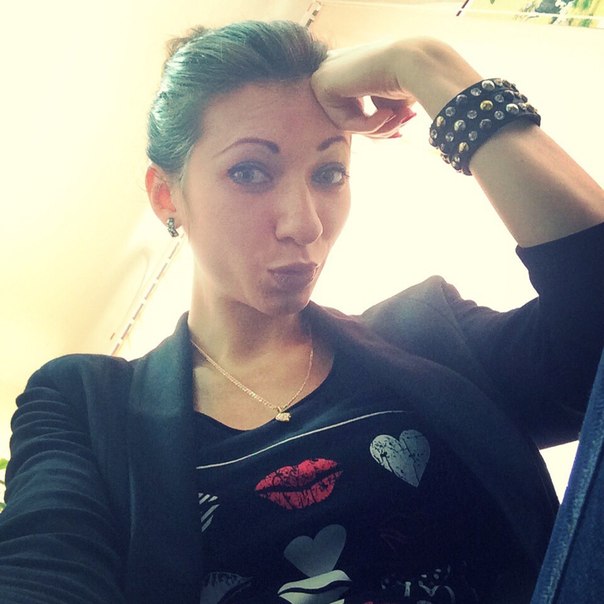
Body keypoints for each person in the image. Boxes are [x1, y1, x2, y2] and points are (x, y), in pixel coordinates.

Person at [0, 19, 602, 604]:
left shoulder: (430, 334)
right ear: (166, 195)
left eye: (329, 173)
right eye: (250, 172)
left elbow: (592, 338)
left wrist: (427, 64)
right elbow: (45, 567)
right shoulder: (84, 404)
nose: (305, 224)